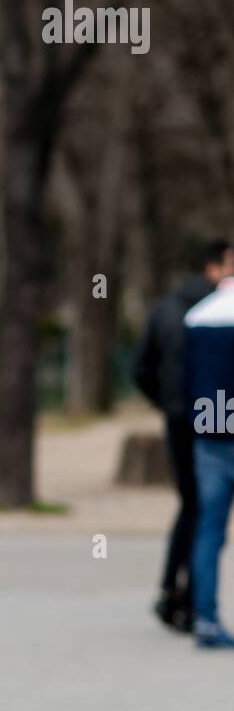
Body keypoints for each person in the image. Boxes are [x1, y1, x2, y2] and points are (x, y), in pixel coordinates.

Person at [132, 239, 234, 632]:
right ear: (213, 269)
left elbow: (141, 369)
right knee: (207, 514)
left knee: (191, 508)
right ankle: (193, 600)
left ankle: (173, 592)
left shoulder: (166, 307)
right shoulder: (216, 310)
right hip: (214, 422)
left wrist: (169, 405)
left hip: (181, 420)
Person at [182, 270, 234, 647]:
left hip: (209, 433)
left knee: (209, 531)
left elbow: (185, 379)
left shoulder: (198, 316)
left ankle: (205, 619)